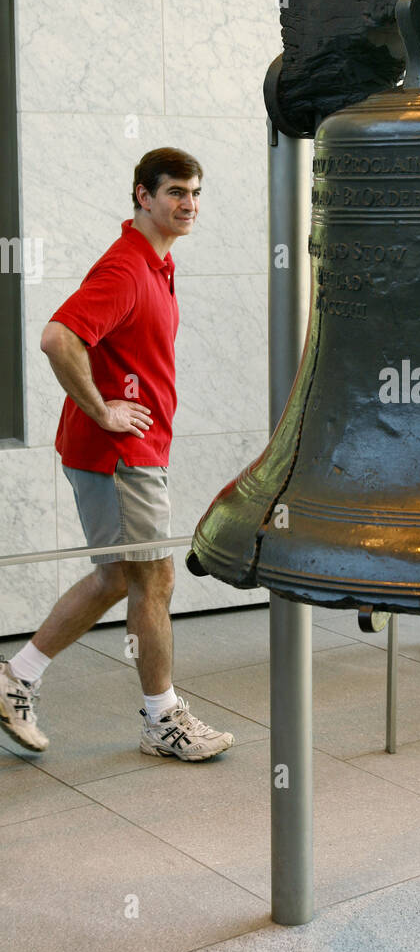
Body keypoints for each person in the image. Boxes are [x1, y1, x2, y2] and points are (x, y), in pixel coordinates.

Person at [0, 148, 235, 758]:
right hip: (119, 456)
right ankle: (164, 719)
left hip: (129, 451)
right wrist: (105, 411)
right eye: (176, 192)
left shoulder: (156, 264)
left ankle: (15, 678)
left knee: (116, 577)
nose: (189, 204)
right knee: (153, 577)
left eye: (195, 192)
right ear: (142, 196)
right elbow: (58, 338)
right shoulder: (128, 267)